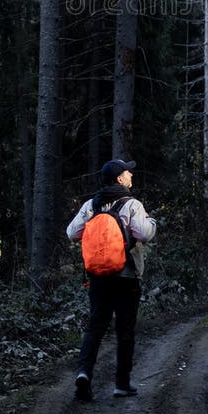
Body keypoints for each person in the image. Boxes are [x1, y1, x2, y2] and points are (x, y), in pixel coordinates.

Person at [66, 157, 156, 401]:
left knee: (95, 328)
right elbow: (143, 233)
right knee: (125, 330)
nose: (131, 175)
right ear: (119, 178)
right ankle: (121, 384)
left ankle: (84, 374)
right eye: (128, 172)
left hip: (98, 279)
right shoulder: (132, 204)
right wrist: (152, 223)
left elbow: (71, 233)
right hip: (126, 277)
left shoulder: (91, 205)